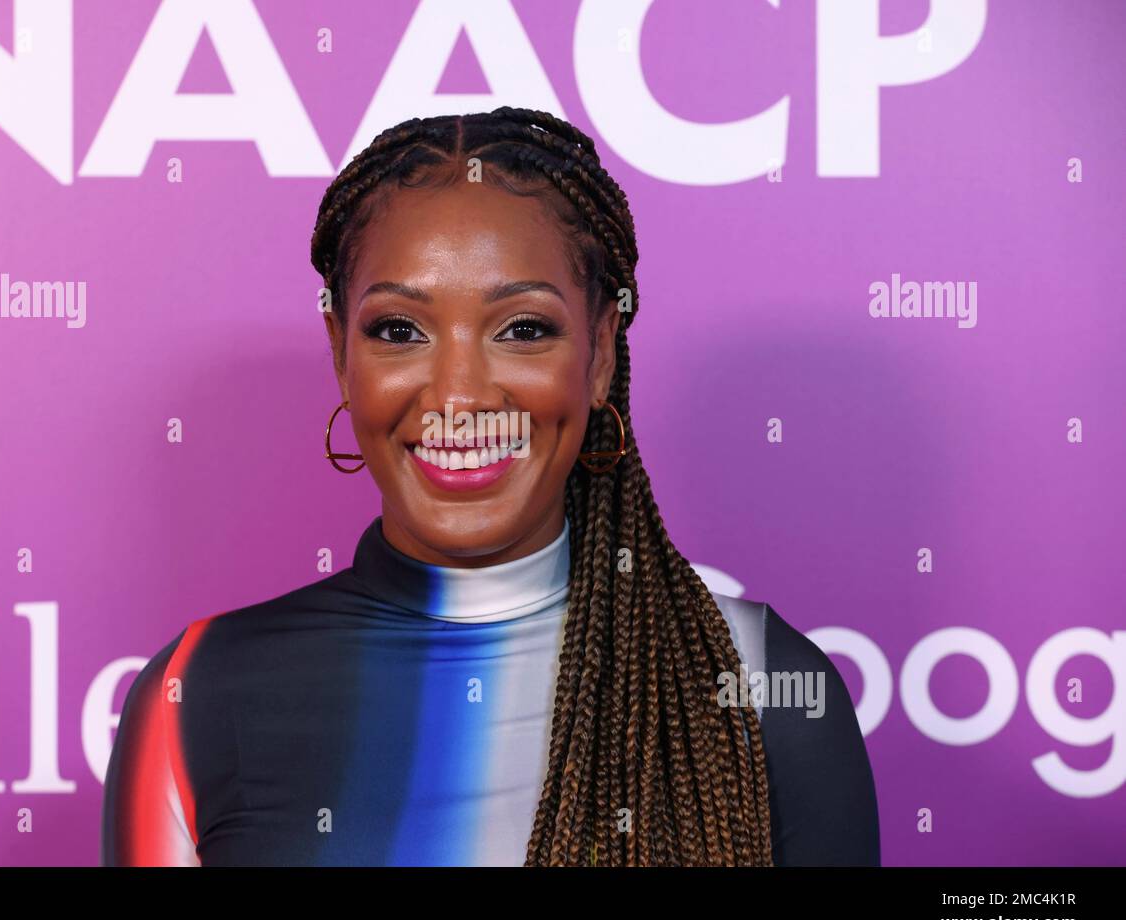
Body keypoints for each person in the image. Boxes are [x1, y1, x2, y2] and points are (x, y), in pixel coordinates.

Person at [101, 106, 880, 867]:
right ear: (341, 348)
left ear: (601, 350)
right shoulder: (192, 693)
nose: (460, 396)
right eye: (399, 329)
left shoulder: (760, 682)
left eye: (524, 328)